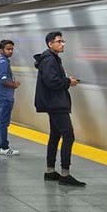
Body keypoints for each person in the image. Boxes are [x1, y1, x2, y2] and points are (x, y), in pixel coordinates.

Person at [34, 30, 83, 185]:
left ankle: (50, 171)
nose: (62, 44)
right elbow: (52, 81)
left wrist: (67, 80)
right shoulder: (49, 60)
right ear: (50, 44)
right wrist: (68, 82)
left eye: (63, 41)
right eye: (59, 41)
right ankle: (65, 174)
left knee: (55, 136)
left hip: (54, 103)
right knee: (68, 135)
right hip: (56, 104)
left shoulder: (52, 58)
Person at [0, 39, 20, 156]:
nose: (11, 51)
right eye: (8, 49)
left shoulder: (0, 61)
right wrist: (15, 84)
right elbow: (3, 80)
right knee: (4, 123)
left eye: (12, 49)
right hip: (5, 97)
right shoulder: (3, 62)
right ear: (1, 50)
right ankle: (4, 147)